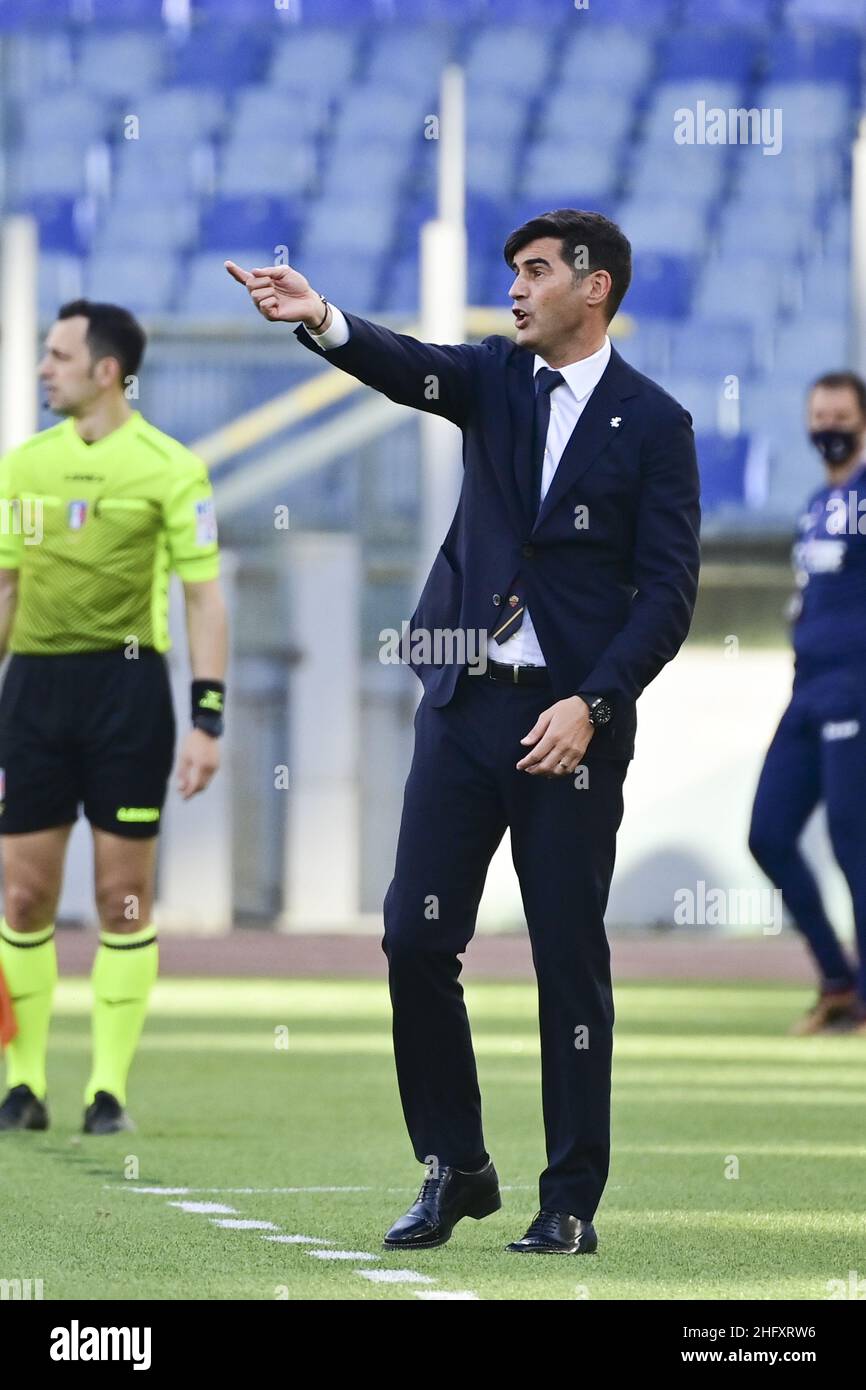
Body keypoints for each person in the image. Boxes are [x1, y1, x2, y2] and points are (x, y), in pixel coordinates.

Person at [226, 207, 700, 1255]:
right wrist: (325, 320)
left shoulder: (657, 425)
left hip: (568, 726)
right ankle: (455, 1166)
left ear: (595, 287)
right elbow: (409, 368)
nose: (516, 290)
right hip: (464, 704)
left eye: (533, 272)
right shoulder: (493, 380)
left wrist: (593, 704)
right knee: (412, 936)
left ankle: (568, 1197)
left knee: (567, 960)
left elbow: (667, 595)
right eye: (511, 273)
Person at [0, 299, 228, 1135]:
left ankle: (107, 1093)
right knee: (22, 897)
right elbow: (6, 587)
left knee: (122, 898)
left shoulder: (171, 468)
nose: (40, 369)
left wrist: (208, 718)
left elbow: (204, 602)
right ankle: (21, 1087)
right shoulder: (23, 467)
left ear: (105, 371)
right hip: (33, 693)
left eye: (56, 356)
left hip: (126, 697)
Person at [749, 370, 866, 1036]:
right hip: (808, 691)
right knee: (768, 833)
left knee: (855, 844)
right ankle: (836, 978)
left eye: (840, 415)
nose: (827, 426)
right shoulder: (816, 506)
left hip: (857, 687)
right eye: (818, 415)